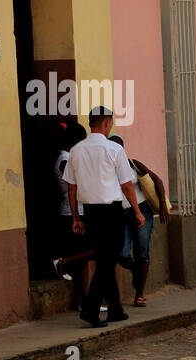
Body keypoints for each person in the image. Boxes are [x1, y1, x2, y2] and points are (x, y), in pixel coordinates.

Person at [64, 106, 143, 328]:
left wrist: (75, 218)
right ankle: (90, 309)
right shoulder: (114, 149)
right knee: (108, 261)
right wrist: (137, 211)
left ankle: (115, 309)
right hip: (111, 212)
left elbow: (72, 188)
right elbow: (127, 185)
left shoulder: (76, 150)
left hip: (90, 212)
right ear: (107, 123)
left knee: (104, 258)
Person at [109, 134, 170, 307]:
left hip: (142, 210)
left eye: (118, 147)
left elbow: (156, 180)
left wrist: (163, 205)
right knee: (122, 253)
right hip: (120, 215)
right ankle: (137, 272)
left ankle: (140, 294)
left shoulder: (132, 164)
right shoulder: (105, 168)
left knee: (142, 253)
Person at [53, 122, 96, 310]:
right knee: (89, 253)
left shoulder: (69, 158)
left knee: (86, 257)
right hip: (72, 212)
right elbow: (75, 187)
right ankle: (62, 263)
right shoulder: (65, 160)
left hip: (78, 211)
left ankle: (85, 299)